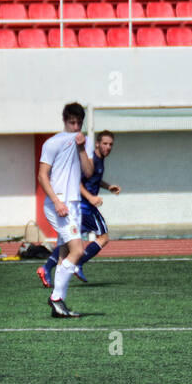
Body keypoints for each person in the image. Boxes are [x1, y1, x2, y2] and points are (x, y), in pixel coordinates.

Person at [36, 103, 95, 318]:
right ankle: (56, 298)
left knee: (64, 253)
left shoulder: (84, 143)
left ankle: (59, 304)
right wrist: (57, 202)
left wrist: (81, 148)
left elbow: (88, 172)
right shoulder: (52, 143)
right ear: (65, 120)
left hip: (73, 204)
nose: (76, 126)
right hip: (59, 204)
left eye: (79, 122)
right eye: (72, 122)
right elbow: (42, 175)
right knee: (77, 251)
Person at [40, 129, 120, 285]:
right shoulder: (92, 160)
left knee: (69, 242)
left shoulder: (99, 159)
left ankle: (46, 268)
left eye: (110, 144)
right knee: (103, 237)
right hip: (84, 206)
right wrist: (90, 197)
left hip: (80, 206)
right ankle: (78, 264)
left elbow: (95, 178)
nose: (108, 147)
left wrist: (108, 186)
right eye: (104, 143)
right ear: (97, 144)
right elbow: (77, 181)